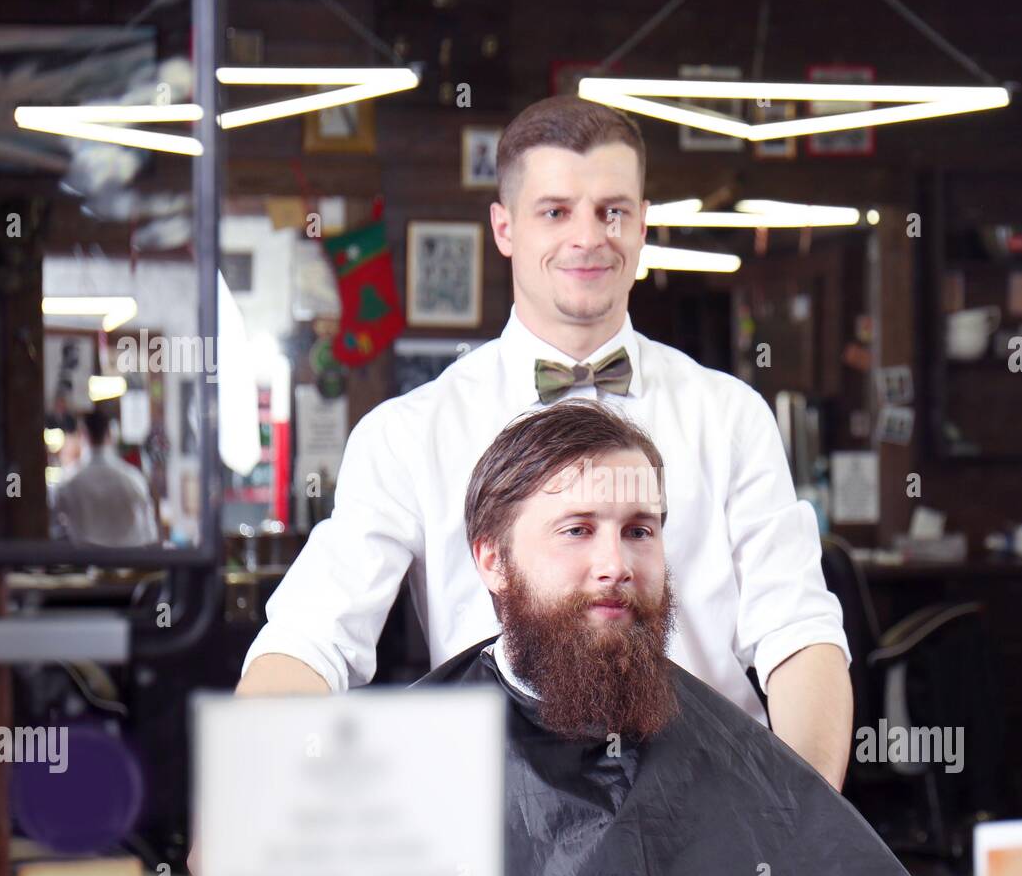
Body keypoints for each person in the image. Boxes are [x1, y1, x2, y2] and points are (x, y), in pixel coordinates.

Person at [241, 94, 855, 788]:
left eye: (613, 210)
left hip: (707, 807)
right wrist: (244, 795)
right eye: (556, 211)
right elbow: (313, 638)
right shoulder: (408, 434)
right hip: (501, 820)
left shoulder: (733, 417)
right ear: (504, 227)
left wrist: (808, 822)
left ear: (643, 224)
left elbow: (800, 634)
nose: (589, 237)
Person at [416, 400, 916, 876]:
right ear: (493, 561)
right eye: (577, 530)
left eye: (638, 532)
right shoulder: (414, 755)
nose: (616, 566)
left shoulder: (730, 753)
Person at [51, 407, 158, 546]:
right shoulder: (133, 479)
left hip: (85, 563)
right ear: (110, 434)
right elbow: (150, 534)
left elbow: (52, 527)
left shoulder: (67, 483)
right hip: (129, 562)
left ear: (82, 434)